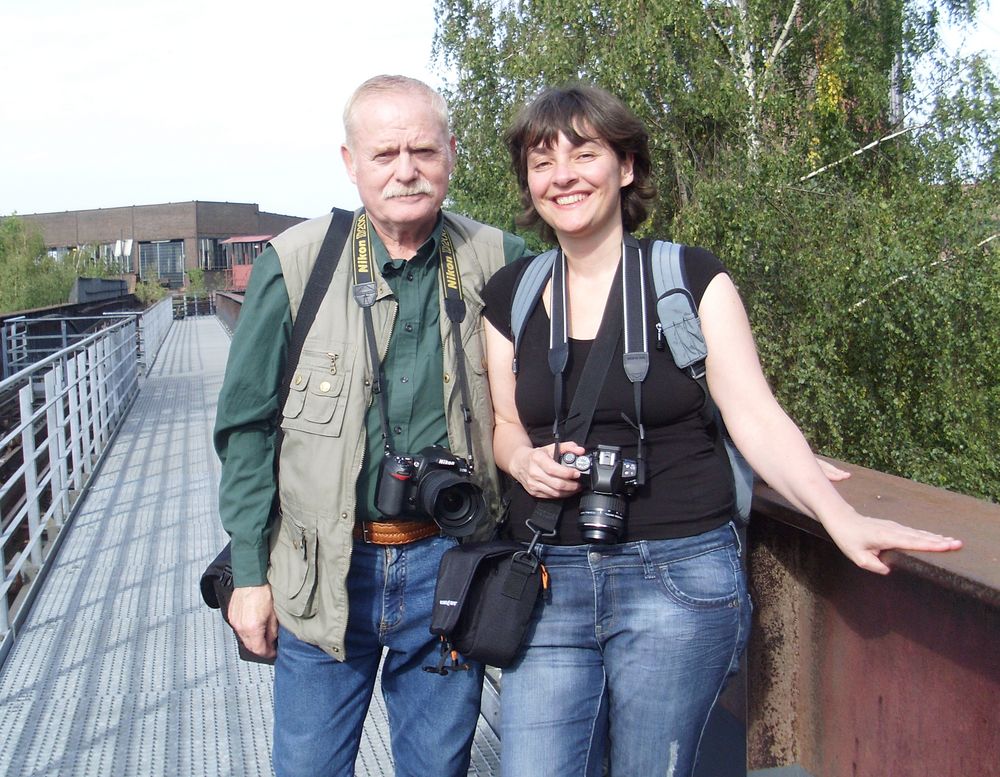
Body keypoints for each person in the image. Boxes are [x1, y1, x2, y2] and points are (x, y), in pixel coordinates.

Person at [480, 83, 963, 777]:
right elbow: (502, 423)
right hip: (549, 576)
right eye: (541, 160)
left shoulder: (691, 278)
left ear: (626, 167)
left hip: (675, 578)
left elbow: (756, 415)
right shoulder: (513, 294)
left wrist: (839, 518)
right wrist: (524, 461)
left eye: (584, 153)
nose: (562, 176)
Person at [213, 75, 525, 777]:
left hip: (451, 565)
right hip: (322, 571)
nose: (405, 169)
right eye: (385, 154)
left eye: (422, 149)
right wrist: (251, 574)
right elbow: (247, 430)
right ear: (351, 163)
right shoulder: (296, 265)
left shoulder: (500, 261)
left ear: (451, 152)